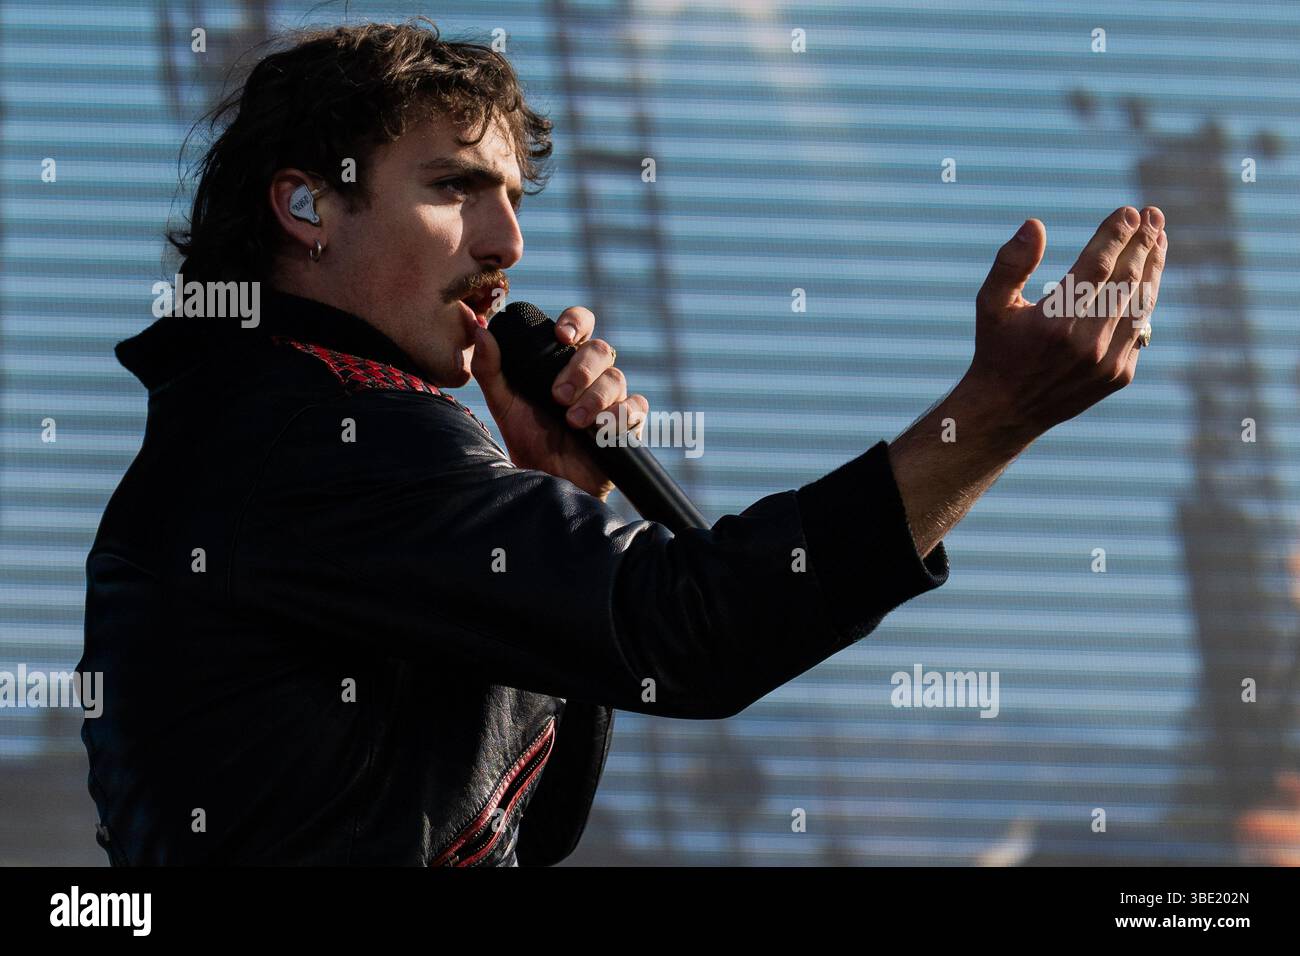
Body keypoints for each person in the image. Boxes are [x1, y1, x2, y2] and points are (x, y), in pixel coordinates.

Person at [77, 19, 1167, 866]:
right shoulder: (314, 426)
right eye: (454, 187)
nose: (505, 240)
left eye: (511, 195)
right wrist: (993, 412)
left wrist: (553, 495)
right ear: (307, 203)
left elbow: (526, 828)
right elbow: (690, 626)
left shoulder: (268, 419)